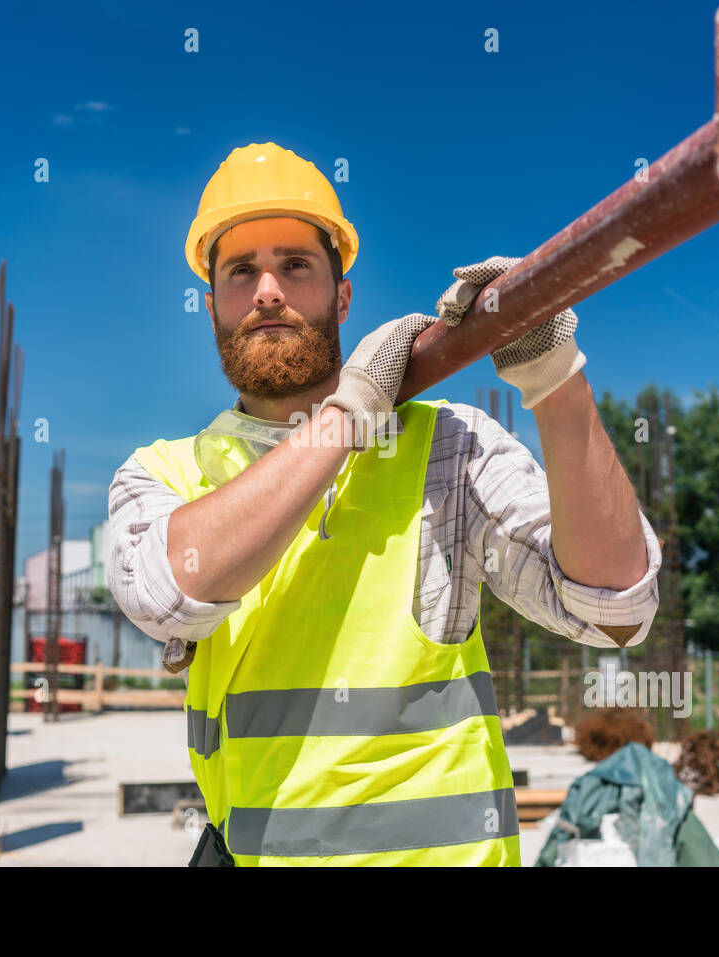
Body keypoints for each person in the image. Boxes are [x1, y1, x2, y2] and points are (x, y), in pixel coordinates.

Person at [107, 142, 662, 866]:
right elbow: (166, 595)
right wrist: (348, 413)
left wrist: (554, 378)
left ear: (342, 297)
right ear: (212, 304)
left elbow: (615, 608)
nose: (268, 289)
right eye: (242, 270)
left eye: (295, 264)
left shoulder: (450, 449)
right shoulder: (167, 472)